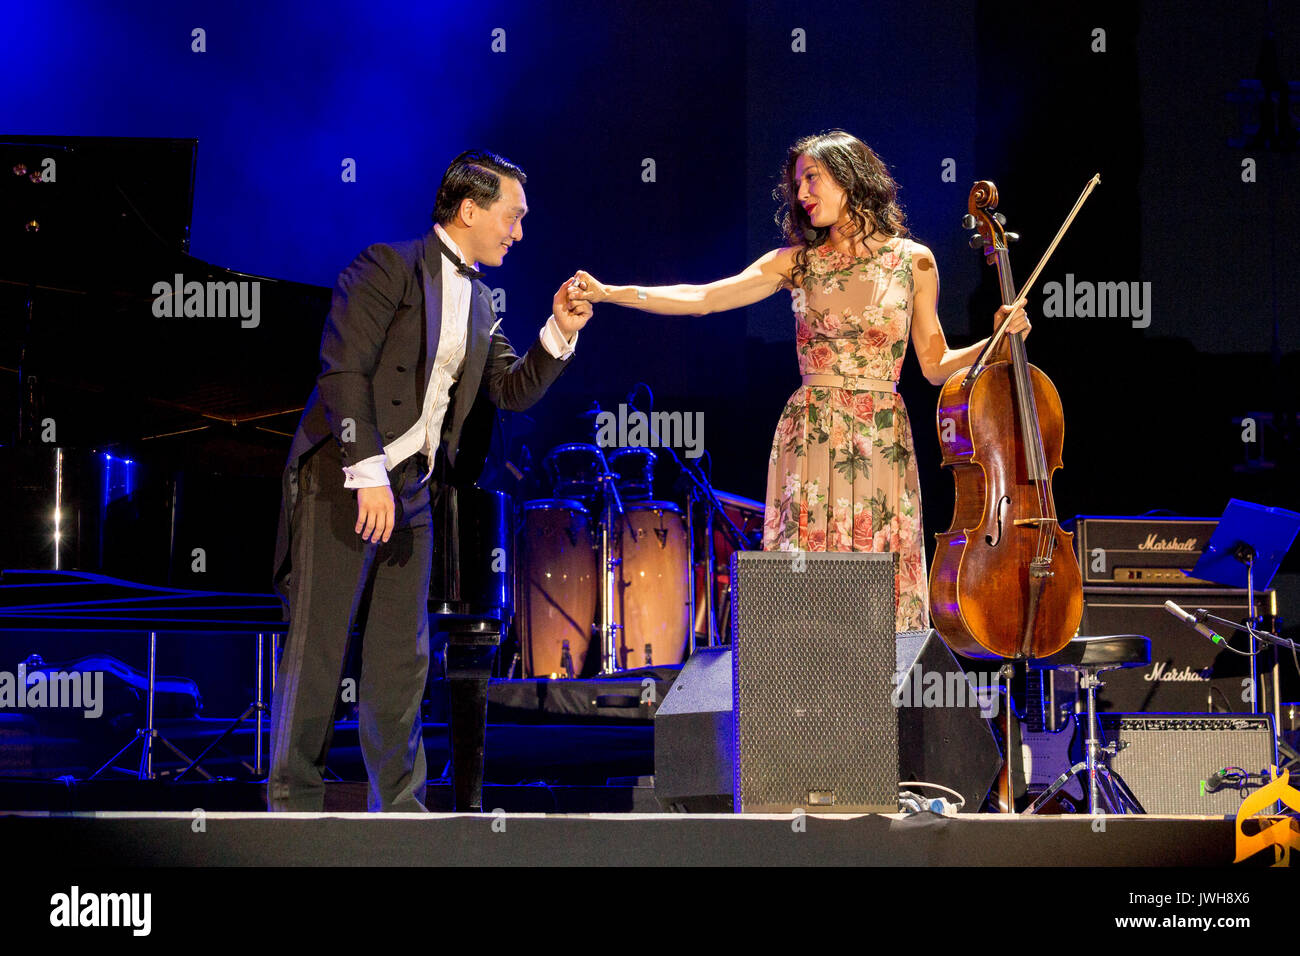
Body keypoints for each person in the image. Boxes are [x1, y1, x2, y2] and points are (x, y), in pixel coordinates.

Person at [568, 129, 1028, 632]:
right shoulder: (799, 262)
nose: (802, 193)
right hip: (811, 431)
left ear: (851, 178)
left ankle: (873, 699)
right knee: (808, 579)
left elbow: (936, 363)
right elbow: (702, 298)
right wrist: (611, 292)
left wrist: (996, 341)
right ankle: (803, 698)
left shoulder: (913, 261)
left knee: (876, 576)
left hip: (878, 435)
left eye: (813, 178)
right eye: (798, 184)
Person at [269, 149, 593, 811]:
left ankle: (402, 808)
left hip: (412, 492)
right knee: (321, 647)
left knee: (401, 659)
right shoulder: (385, 266)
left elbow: (511, 388)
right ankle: (293, 803)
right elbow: (343, 373)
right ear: (471, 209)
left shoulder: (478, 302)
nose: (520, 232)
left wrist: (558, 330)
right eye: (513, 216)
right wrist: (368, 477)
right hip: (344, 477)